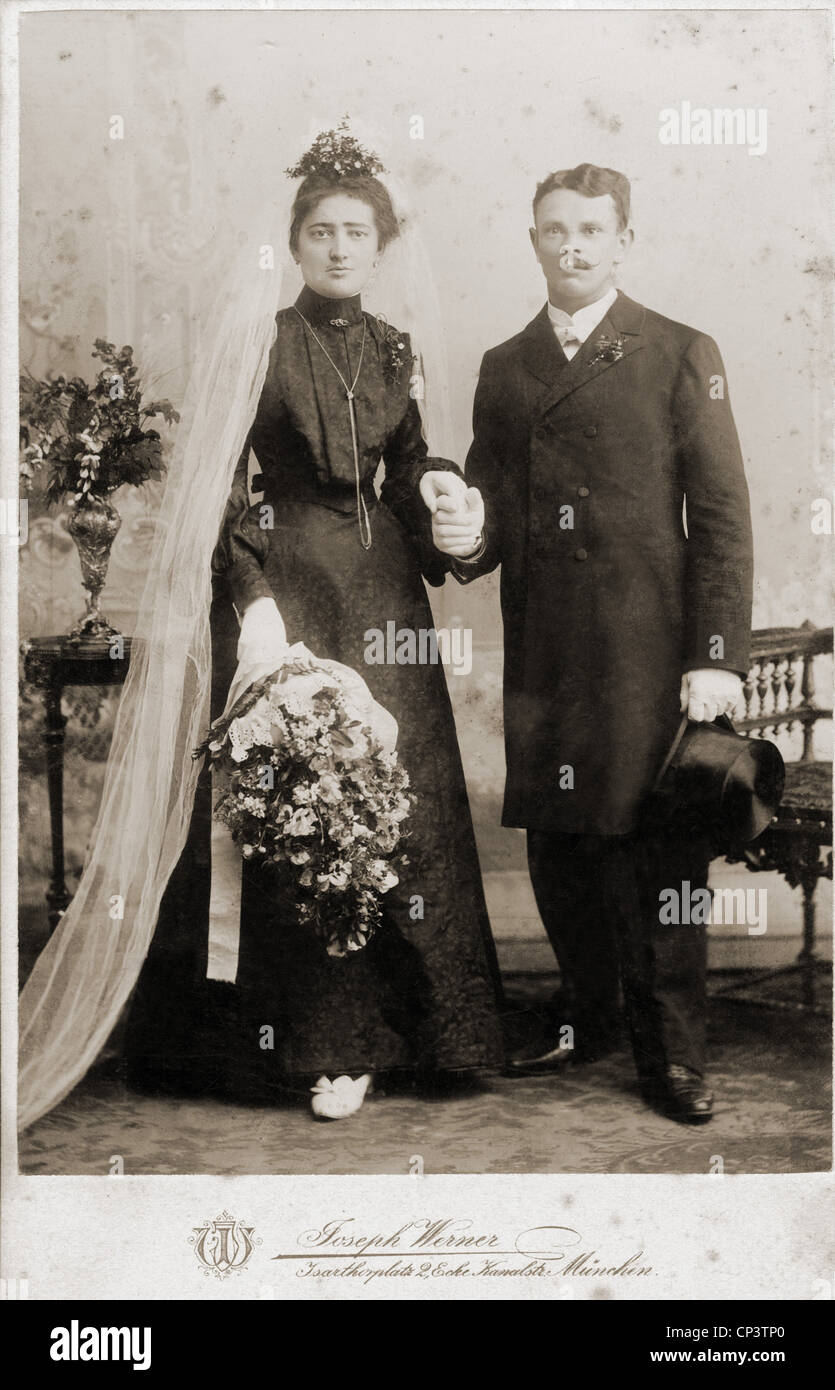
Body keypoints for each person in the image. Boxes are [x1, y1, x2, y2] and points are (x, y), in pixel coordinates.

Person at [123, 128, 504, 1120]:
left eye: (358, 232)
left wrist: (448, 499)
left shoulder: (393, 349)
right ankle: (322, 1042)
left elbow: (414, 461)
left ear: (379, 247)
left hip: (384, 591)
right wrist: (254, 607)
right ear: (296, 244)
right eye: (323, 231)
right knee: (309, 802)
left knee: (402, 804)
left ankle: (426, 1033)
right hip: (292, 584)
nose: (340, 248)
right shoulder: (264, 342)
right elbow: (222, 492)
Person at [430, 163, 753, 1124]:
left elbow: (724, 520)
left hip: (647, 654)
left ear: (622, 241)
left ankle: (676, 1055)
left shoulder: (678, 350)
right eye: (550, 230)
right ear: (532, 240)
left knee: (656, 854)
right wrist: (461, 530)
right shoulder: (504, 364)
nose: (568, 246)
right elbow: (489, 513)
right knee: (561, 847)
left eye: (588, 230)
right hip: (544, 654)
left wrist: (714, 656)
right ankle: (587, 1015)